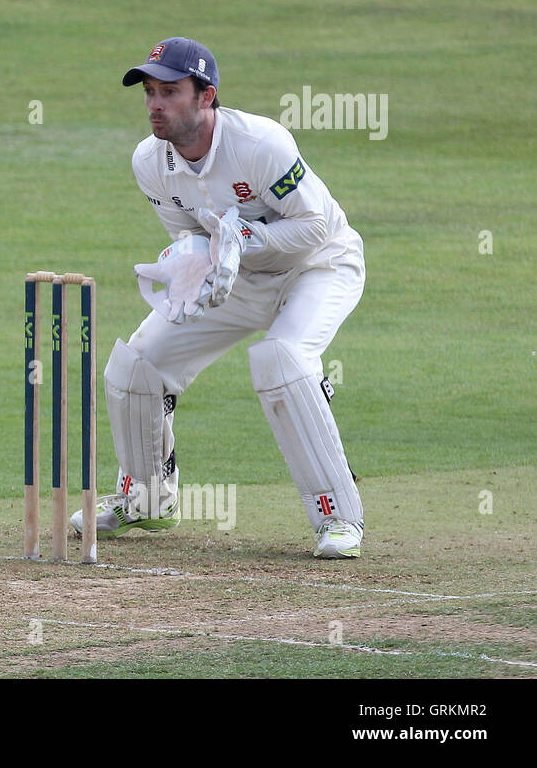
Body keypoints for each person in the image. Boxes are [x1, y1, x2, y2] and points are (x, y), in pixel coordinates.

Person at [72, 38, 366, 558]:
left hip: (316, 269)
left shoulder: (261, 144)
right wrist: (192, 265)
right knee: (135, 366)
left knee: (283, 361)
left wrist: (244, 240)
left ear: (205, 96)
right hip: (238, 281)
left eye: (169, 92)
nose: (154, 105)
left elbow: (316, 228)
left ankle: (337, 517)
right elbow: (194, 239)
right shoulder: (150, 162)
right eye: (149, 93)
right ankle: (145, 498)